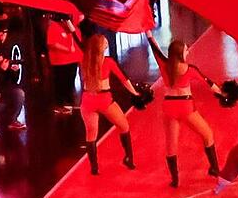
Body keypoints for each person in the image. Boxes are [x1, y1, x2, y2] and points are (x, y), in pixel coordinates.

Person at [155, 39, 222, 189]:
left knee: (171, 146)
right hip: (186, 107)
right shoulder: (189, 69)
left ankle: (175, 180)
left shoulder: (164, 66)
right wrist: (223, 94)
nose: (188, 52)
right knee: (208, 135)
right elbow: (209, 84)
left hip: (168, 107)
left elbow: (155, 48)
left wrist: (148, 33)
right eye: (186, 50)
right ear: (180, 54)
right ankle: (215, 169)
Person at [78, 32, 141, 174]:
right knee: (124, 126)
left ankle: (94, 167)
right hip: (104, 100)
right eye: (104, 41)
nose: (107, 42)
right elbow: (124, 79)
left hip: (87, 100)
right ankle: (128, 159)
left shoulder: (84, 60)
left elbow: (77, 41)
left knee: (91, 134)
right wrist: (135, 93)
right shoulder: (108, 62)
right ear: (101, 46)